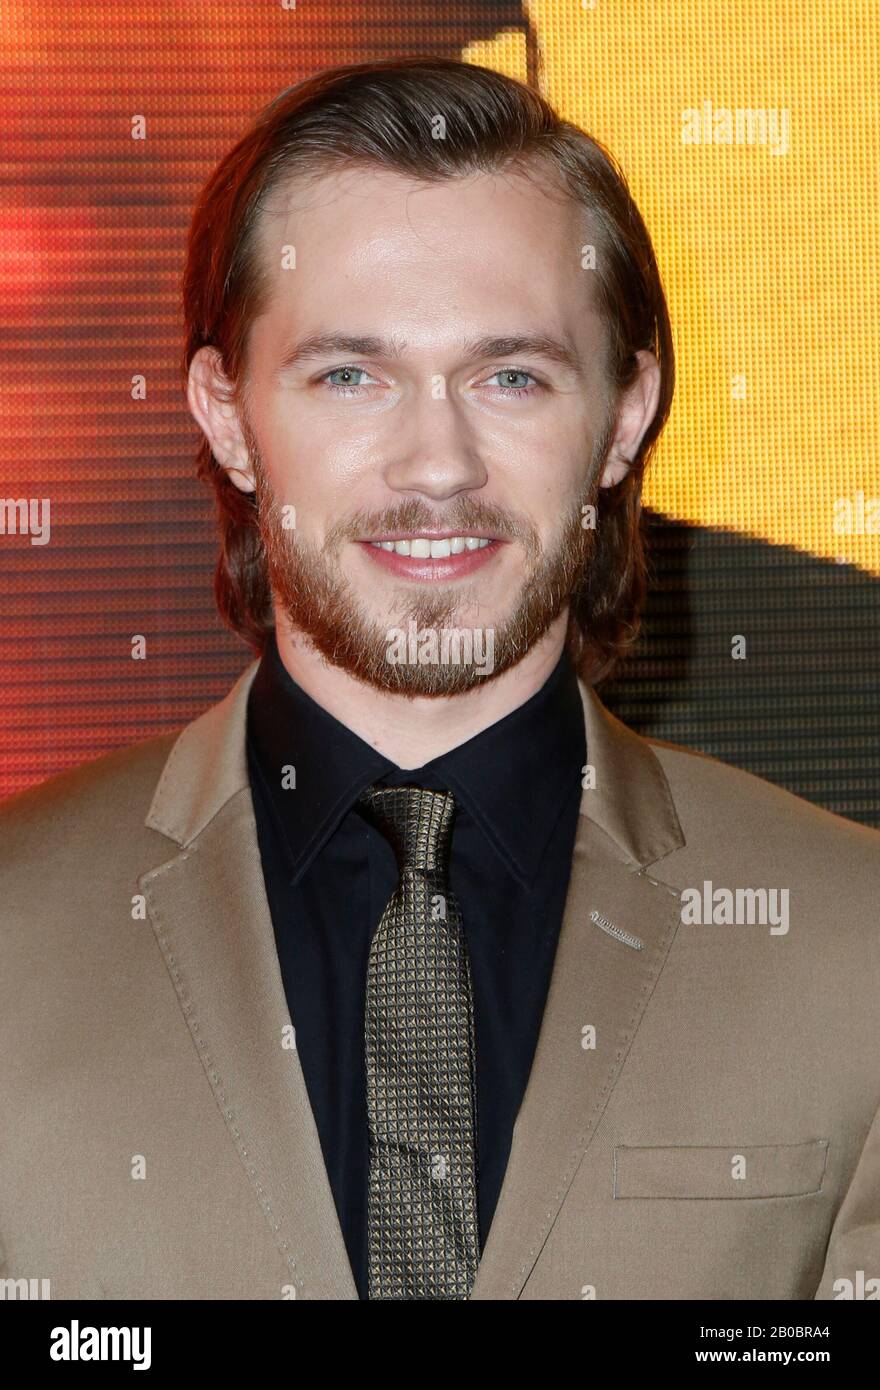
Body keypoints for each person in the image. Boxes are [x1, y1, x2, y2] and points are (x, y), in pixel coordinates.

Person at [1, 57, 877, 1302]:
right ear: (229, 417)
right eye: (350, 375)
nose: (436, 463)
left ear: (626, 416)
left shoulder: (858, 946)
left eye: (509, 375)